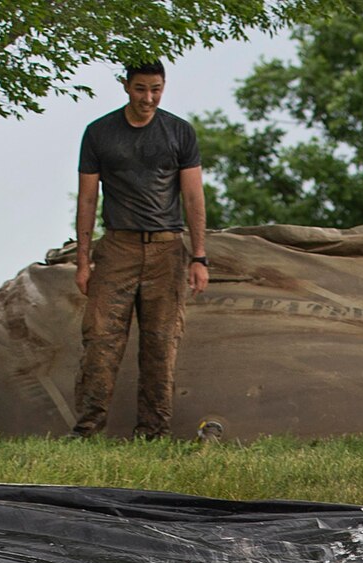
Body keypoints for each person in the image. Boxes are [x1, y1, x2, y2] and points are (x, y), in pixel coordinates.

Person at [71, 60, 208, 440]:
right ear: (126, 87)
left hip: (167, 249)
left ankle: (153, 432)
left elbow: (194, 196)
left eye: (156, 89)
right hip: (117, 246)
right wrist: (83, 262)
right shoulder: (99, 133)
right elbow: (87, 200)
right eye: (140, 89)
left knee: (161, 344)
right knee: (100, 339)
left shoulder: (179, 132)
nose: (148, 98)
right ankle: (87, 429)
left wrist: (199, 256)